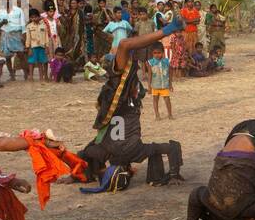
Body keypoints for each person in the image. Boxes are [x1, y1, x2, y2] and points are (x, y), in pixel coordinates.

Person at [77, 15, 185, 189]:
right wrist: (166, 30)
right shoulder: (107, 151)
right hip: (125, 111)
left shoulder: (105, 150)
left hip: (121, 111)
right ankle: (162, 176)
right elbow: (125, 45)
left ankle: (163, 176)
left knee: (154, 150)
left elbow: (83, 155)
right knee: (155, 150)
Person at [0, 0, 26, 81]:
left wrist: (24, 37)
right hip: (5, 35)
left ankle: (26, 74)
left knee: (21, 55)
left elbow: (23, 25)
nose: (7, 0)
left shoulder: (18, 10)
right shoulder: (0, 11)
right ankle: (12, 75)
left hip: (16, 35)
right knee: (7, 57)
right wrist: (2, 22)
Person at [147, 42, 172, 120]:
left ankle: (170, 114)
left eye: (159, 53)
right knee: (155, 100)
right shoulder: (151, 62)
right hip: (155, 85)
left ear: (162, 52)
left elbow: (170, 73)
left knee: (167, 99)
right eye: (155, 53)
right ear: (152, 53)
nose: (157, 55)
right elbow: (150, 75)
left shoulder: (166, 61)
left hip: (165, 85)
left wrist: (170, 84)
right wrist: (149, 86)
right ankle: (157, 115)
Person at [24, 7, 50, 82]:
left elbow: (46, 36)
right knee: (31, 62)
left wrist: (47, 47)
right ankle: (31, 77)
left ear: (39, 16)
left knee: (43, 61)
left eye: (35, 17)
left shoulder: (43, 25)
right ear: (30, 18)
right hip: (33, 46)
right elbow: (28, 38)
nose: (34, 18)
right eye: (32, 17)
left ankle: (43, 76)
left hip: (42, 46)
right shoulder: (29, 26)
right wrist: (28, 48)